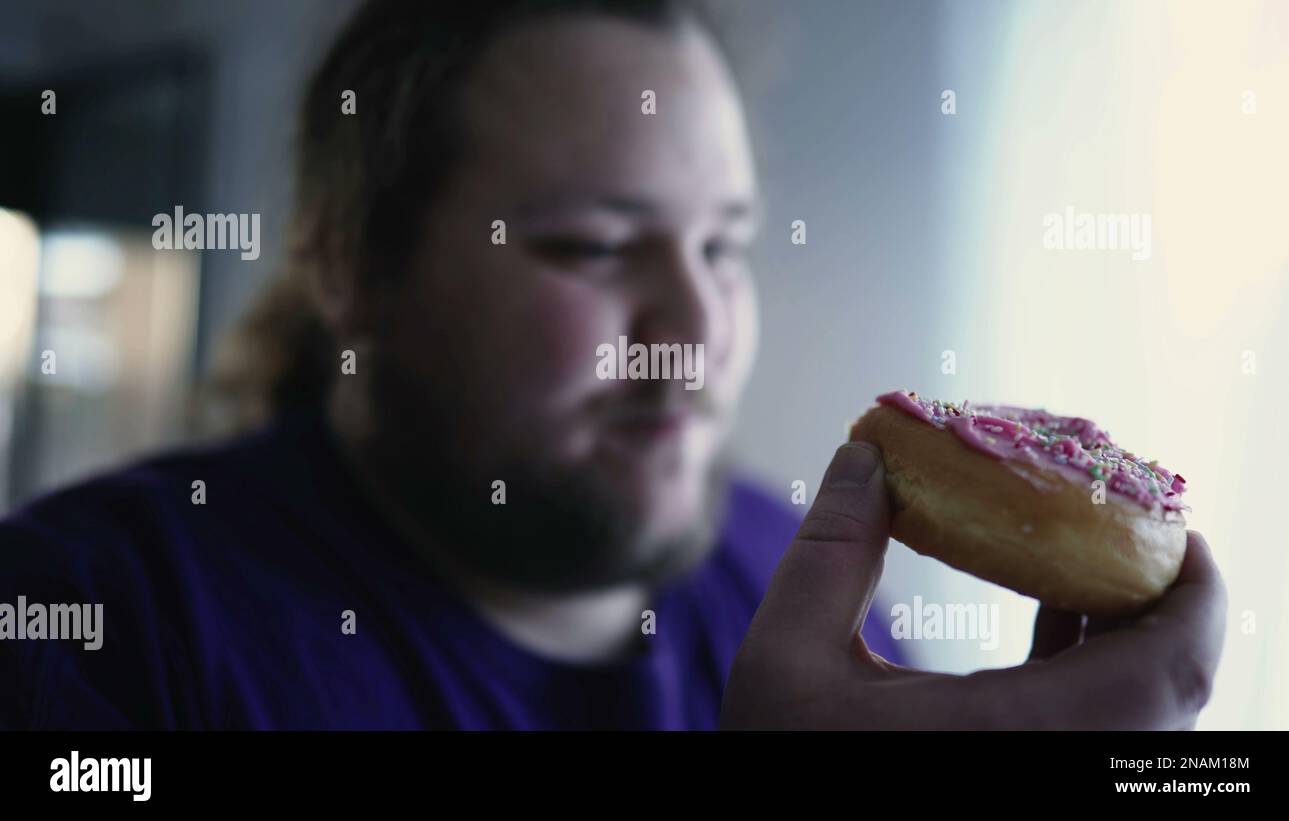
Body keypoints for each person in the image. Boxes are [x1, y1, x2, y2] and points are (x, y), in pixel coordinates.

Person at [0, 0, 1224, 730]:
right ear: (347, 265)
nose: (696, 325)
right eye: (591, 243)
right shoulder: (96, 625)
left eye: (724, 244)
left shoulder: (791, 577)